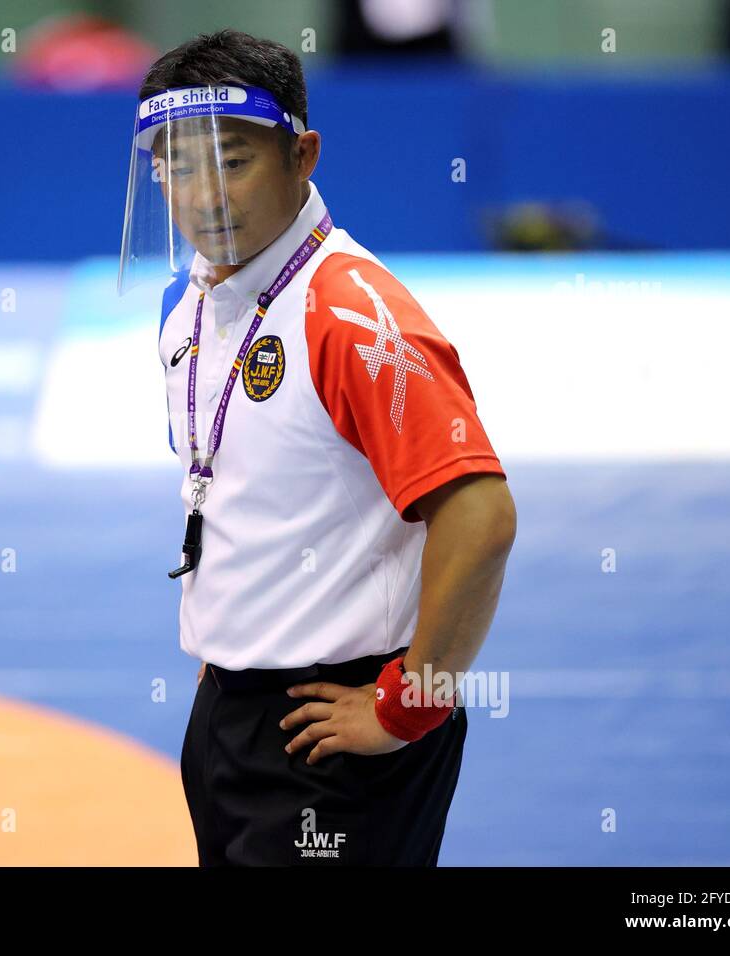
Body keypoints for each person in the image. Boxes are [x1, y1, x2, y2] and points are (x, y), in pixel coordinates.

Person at [118, 29, 517, 866]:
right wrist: (231, 652)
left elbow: (479, 514)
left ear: (302, 154)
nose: (202, 197)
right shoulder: (186, 308)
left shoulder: (351, 313)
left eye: (231, 161)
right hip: (232, 712)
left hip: (337, 729)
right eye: (176, 167)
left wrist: (411, 704)